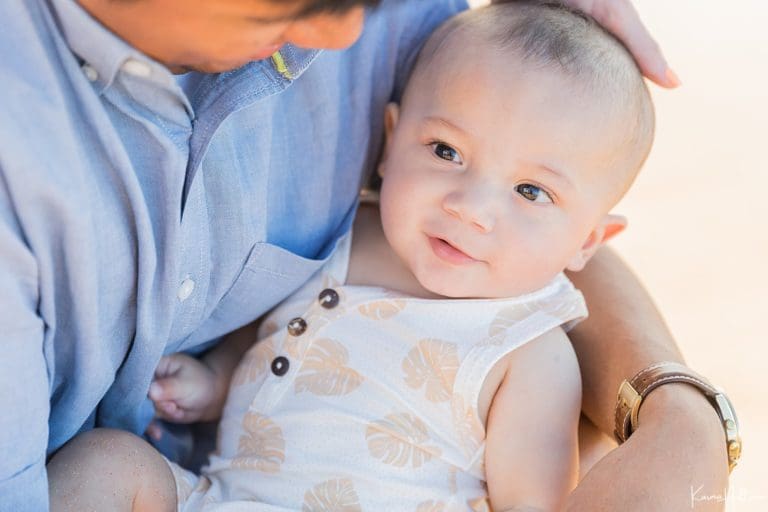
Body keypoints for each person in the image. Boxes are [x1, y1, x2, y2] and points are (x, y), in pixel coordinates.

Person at [0, 0, 731, 511]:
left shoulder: (528, 355)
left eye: (531, 192)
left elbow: (528, 500)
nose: (469, 208)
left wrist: (676, 419)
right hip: (221, 495)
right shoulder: (363, 236)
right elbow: (281, 341)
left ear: (589, 244)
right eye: (445, 152)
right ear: (392, 137)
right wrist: (216, 381)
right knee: (111, 466)